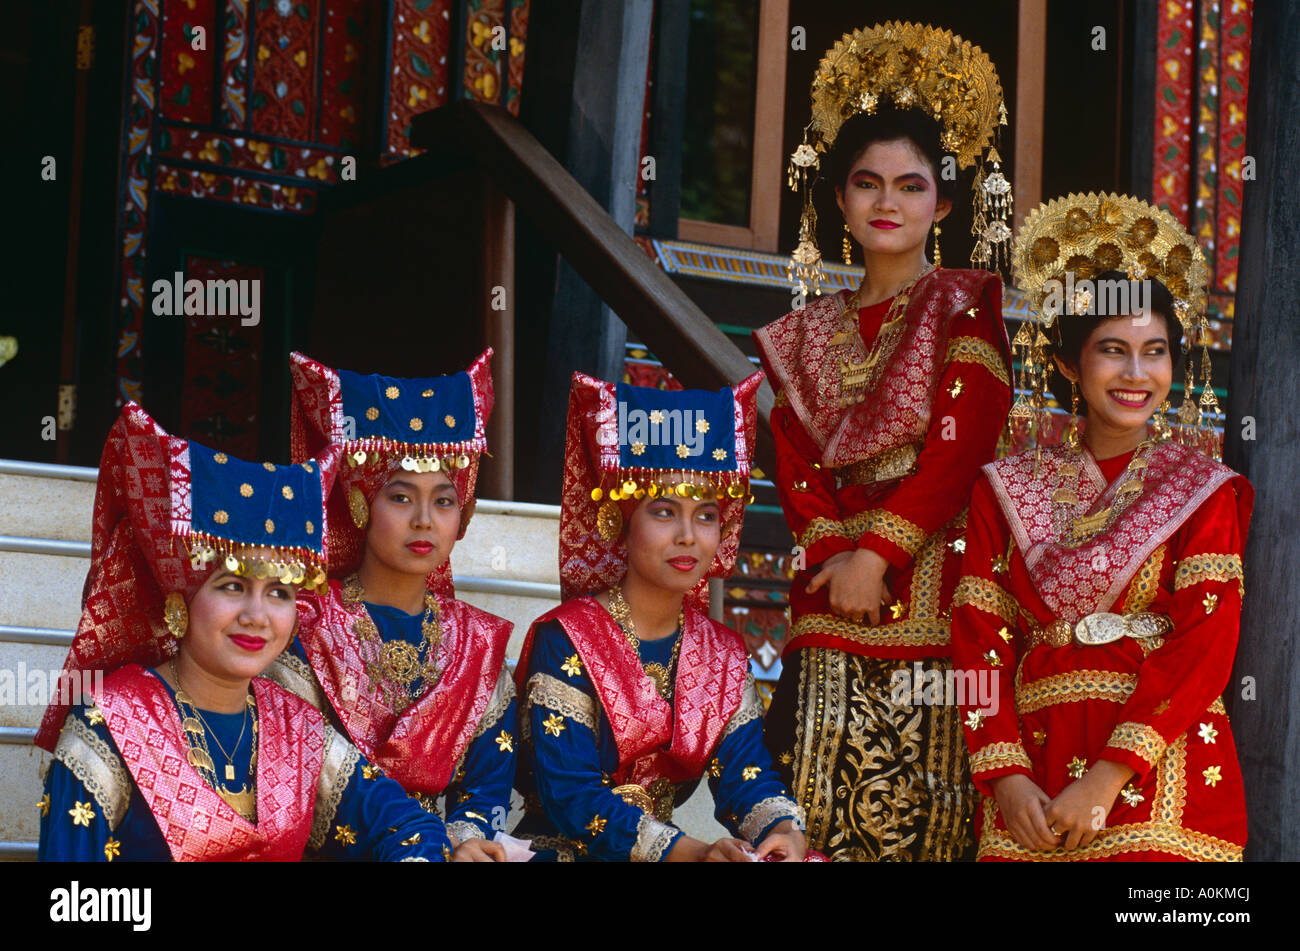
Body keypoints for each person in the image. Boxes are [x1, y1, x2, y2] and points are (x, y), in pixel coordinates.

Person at [752, 22, 1013, 860]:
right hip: (830, 587)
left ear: (942, 201)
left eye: (910, 185)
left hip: (936, 577)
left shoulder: (967, 306)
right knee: (809, 790)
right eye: (867, 184)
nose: (888, 203)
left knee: (928, 806)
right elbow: (793, 457)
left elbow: (959, 449)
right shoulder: (803, 334)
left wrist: (880, 553)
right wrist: (835, 551)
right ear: (839, 200)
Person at [952, 192, 1250, 861]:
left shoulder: (1200, 490)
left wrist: (1111, 775)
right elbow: (977, 642)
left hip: (1158, 763)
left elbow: (1206, 638)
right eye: (1113, 350)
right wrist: (1004, 777)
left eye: (1156, 352)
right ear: (1067, 364)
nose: (1137, 374)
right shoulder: (1006, 490)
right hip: (1033, 771)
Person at [36, 404, 454, 861]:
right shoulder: (111, 719)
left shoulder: (295, 725)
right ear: (181, 601)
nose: (258, 615)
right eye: (233, 586)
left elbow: (407, 823)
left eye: (279, 592)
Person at [511, 371, 808, 862]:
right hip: (561, 849)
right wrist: (688, 853)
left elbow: (746, 773)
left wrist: (781, 828)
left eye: (706, 515)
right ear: (619, 521)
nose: (689, 535)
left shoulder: (722, 653)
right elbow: (572, 798)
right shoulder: (568, 636)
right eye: (665, 511)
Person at [273, 349, 515, 861]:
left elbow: (488, 780)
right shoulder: (306, 623)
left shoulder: (476, 641)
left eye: (444, 500)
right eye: (401, 498)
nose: (425, 520)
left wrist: (466, 837)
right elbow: (304, 761)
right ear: (361, 502)